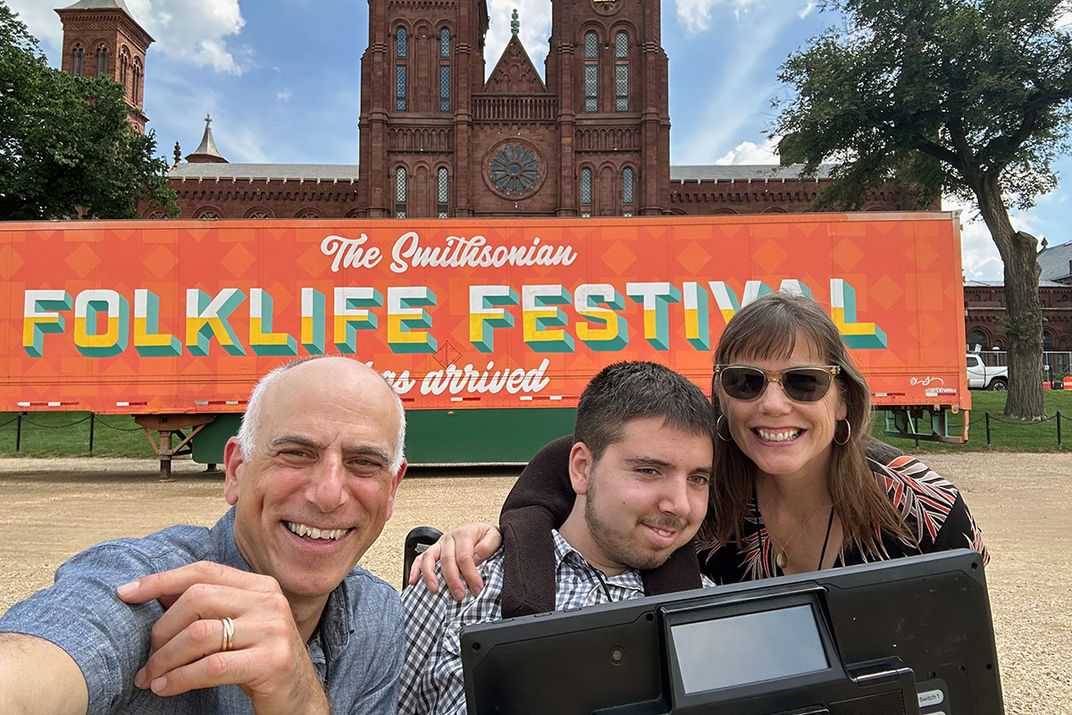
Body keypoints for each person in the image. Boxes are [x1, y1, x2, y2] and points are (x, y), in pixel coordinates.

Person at [412, 292, 988, 599]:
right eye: (746, 382)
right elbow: (589, 465)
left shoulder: (921, 507)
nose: (772, 405)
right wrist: (496, 535)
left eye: (803, 382)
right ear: (721, 397)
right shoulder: (705, 491)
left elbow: (961, 654)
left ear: (843, 399)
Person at [0, 356, 408, 714]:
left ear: (391, 491)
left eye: (364, 462)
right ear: (236, 471)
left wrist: (300, 702)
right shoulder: (150, 589)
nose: (328, 494)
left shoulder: (377, 616)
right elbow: (47, 655)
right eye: (296, 453)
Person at [398, 361, 716, 714]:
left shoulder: (711, 613)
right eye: (649, 471)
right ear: (582, 468)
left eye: (698, 479)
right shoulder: (460, 582)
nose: (680, 504)